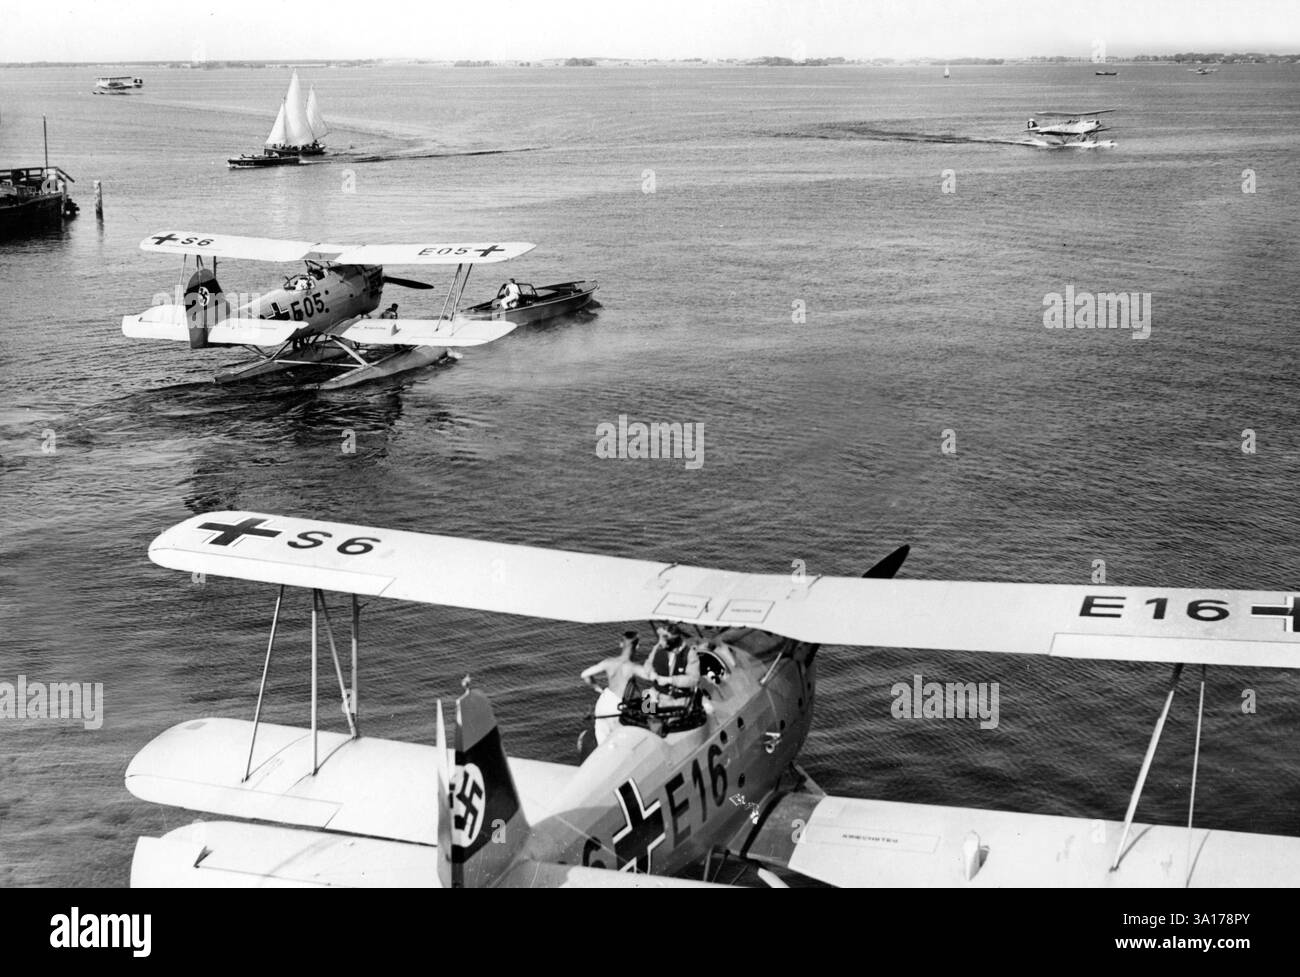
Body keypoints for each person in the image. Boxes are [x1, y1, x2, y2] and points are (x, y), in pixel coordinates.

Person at [581, 631, 641, 746]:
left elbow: (584, 675)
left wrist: (597, 688)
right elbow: (643, 694)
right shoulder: (633, 668)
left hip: (604, 702)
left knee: (602, 743)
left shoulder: (609, 662)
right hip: (618, 707)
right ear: (637, 646)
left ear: (620, 644)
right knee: (618, 743)